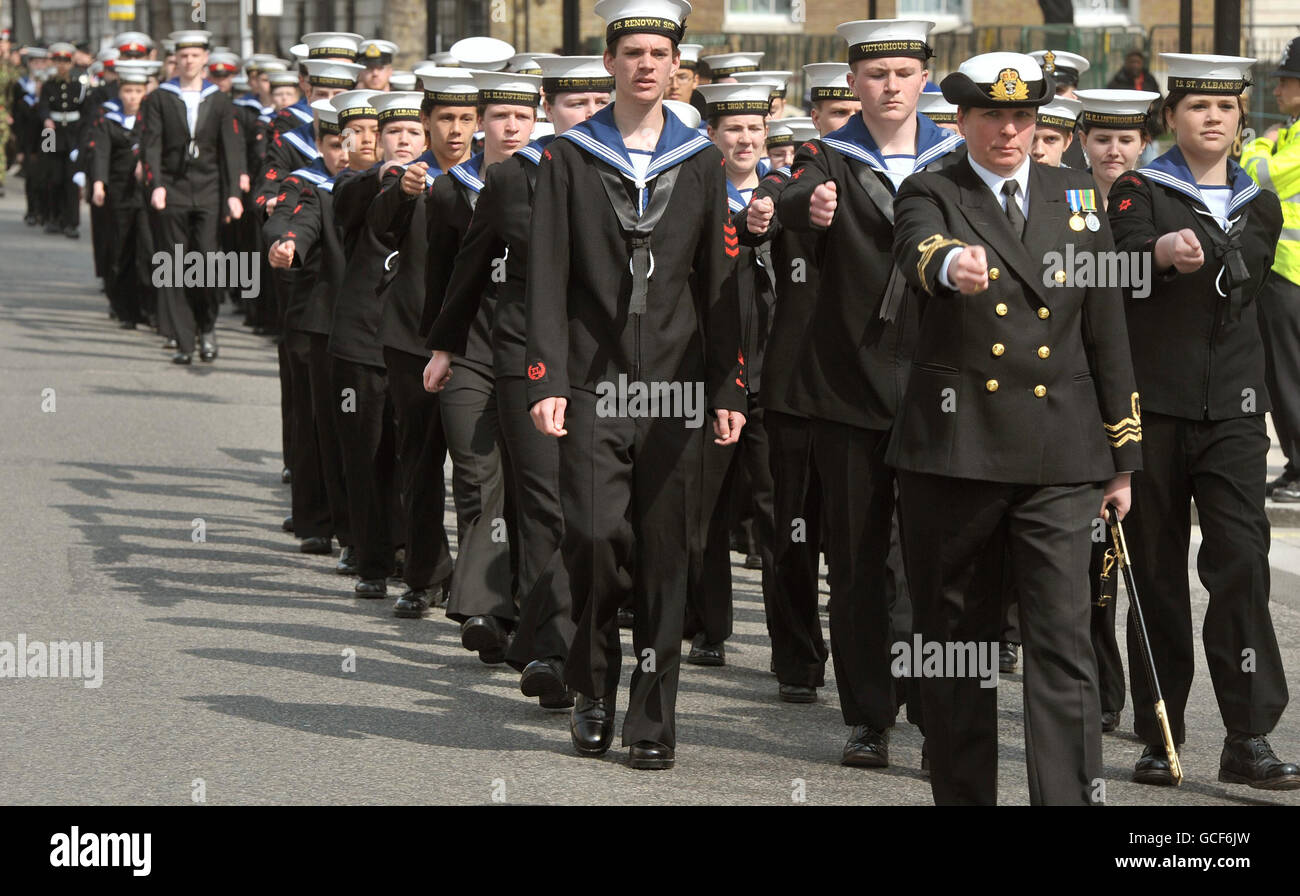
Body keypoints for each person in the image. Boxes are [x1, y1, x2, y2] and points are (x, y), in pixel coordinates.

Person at [891, 51, 1141, 805]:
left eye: (1023, 118)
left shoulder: (1077, 194)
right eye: (993, 116)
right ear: (960, 120)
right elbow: (916, 251)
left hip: (1060, 454)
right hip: (958, 451)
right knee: (959, 645)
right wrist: (950, 266)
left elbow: (1106, 326)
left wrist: (1123, 456)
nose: (1009, 130)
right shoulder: (932, 187)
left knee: (1062, 641)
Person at [526, 0, 746, 770]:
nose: (646, 64)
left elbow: (724, 282)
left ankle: (652, 722)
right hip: (593, 380)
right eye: (633, 53)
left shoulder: (704, 159)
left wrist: (729, 389)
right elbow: (547, 276)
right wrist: (547, 377)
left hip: (678, 388)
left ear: (675, 67)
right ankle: (593, 686)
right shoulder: (569, 157)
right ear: (611, 65)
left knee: (664, 553)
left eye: (659, 53)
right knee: (591, 536)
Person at [1107, 53, 1299, 791]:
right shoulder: (1137, 191)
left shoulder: (1260, 200)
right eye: (1195, 108)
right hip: (1153, 410)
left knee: (1242, 564)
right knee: (1154, 573)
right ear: (1172, 117)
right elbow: (1111, 273)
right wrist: (1158, 253)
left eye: (1224, 109)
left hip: (1234, 414)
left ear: (1241, 117)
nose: (1211, 119)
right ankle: (1161, 737)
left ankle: (1248, 737)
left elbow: (1245, 291)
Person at [776, 19, 964, 768]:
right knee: (854, 560)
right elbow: (792, 197)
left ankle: (934, 702)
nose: (890, 86)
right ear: (852, 83)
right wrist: (806, 210)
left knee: (936, 560)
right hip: (849, 385)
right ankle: (869, 715)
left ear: (926, 79)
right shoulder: (825, 154)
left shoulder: (955, 158)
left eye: (903, 72)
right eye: (875, 73)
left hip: (939, 385)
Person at [424, 55, 612, 707]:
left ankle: (549, 631)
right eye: (571, 104)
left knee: (600, 513)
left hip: (615, 367)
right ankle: (553, 653)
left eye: (596, 103)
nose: (585, 115)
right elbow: (472, 267)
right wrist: (446, 346)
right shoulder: (513, 179)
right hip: (523, 359)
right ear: (549, 113)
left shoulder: (641, 175)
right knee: (541, 503)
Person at [682, 81, 778, 668]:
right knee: (705, 510)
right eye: (732, 129)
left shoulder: (789, 193)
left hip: (773, 374)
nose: (745, 139)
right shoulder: (694, 194)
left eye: (754, 129)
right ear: (712, 136)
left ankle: (793, 652)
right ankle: (708, 625)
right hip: (708, 372)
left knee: (776, 514)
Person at [141, 30, 245, 365]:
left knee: (208, 264)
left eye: (195, 55)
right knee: (175, 266)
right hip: (173, 189)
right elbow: (151, 144)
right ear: (177, 58)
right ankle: (184, 340)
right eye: (183, 55)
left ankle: (208, 327)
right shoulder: (159, 97)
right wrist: (155, 184)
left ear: (204, 59)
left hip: (210, 190)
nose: (188, 61)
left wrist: (232, 195)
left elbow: (231, 151)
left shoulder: (219, 99)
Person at [1242, 36, 1300, 502]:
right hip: (1284, 272)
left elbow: (1261, 176)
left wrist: (1259, 143)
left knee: (1287, 375)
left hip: (1290, 273)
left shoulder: (1285, 137)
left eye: (1285, 80)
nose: (1278, 89)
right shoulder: (1292, 129)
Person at [90, 61, 154, 330]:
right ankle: (125, 309)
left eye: (138, 91)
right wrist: (98, 184)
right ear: (120, 91)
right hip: (119, 193)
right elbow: (101, 153)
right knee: (121, 249)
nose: (132, 96)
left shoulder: (152, 118)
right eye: (128, 90)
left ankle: (150, 307)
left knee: (148, 250)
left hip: (147, 195)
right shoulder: (108, 119)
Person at [38, 43, 84, 238]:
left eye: (66, 61)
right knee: (53, 177)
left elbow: (85, 111)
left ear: (71, 62)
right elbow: (42, 107)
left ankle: (71, 222)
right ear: (54, 62)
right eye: (59, 61)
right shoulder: (49, 85)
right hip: (52, 133)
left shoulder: (79, 85)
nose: (63, 65)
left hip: (73, 134)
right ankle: (53, 218)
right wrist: (46, 119)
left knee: (71, 180)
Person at [1029, 94, 1081, 167]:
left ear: (1067, 141)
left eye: (1051, 139)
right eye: (1031, 138)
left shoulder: (1079, 178)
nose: (1039, 151)